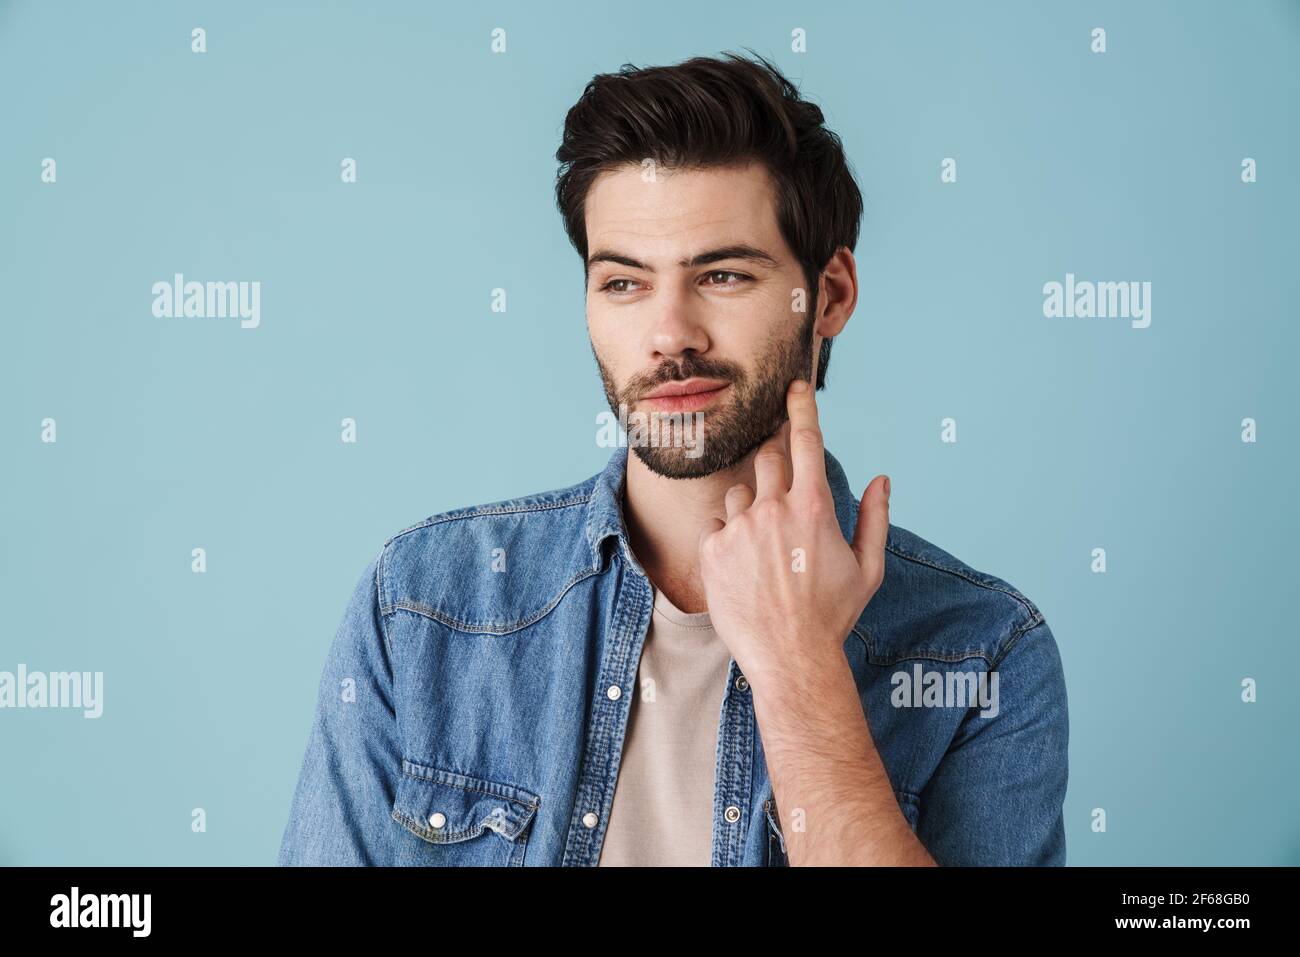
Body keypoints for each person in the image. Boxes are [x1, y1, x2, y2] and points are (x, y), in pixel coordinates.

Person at [278, 50, 1068, 867]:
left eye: (722, 275)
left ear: (828, 295)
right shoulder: (422, 606)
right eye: (623, 283)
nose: (669, 334)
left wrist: (800, 669)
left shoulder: (979, 654)